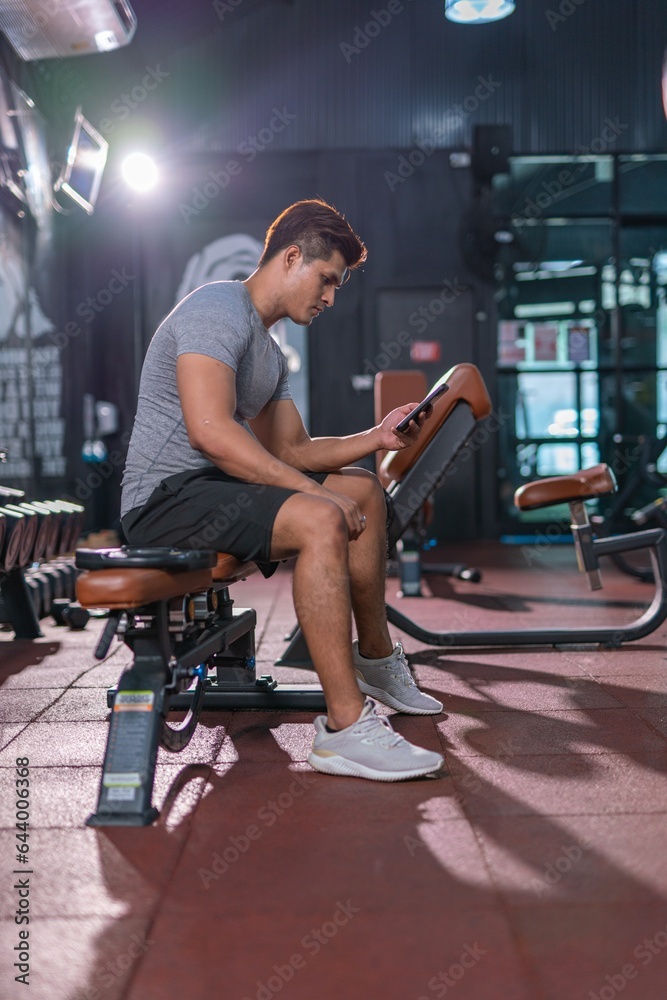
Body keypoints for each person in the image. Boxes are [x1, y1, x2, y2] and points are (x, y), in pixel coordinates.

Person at [120, 198, 444, 782]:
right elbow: (212, 432)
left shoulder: (269, 352)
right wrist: (314, 498)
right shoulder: (218, 308)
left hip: (210, 489)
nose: (329, 298)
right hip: (163, 500)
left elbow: (292, 450)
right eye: (326, 280)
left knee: (365, 491)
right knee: (321, 517)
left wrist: (376, 436)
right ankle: (345, 729)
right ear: (291, 256)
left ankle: (374, 661)